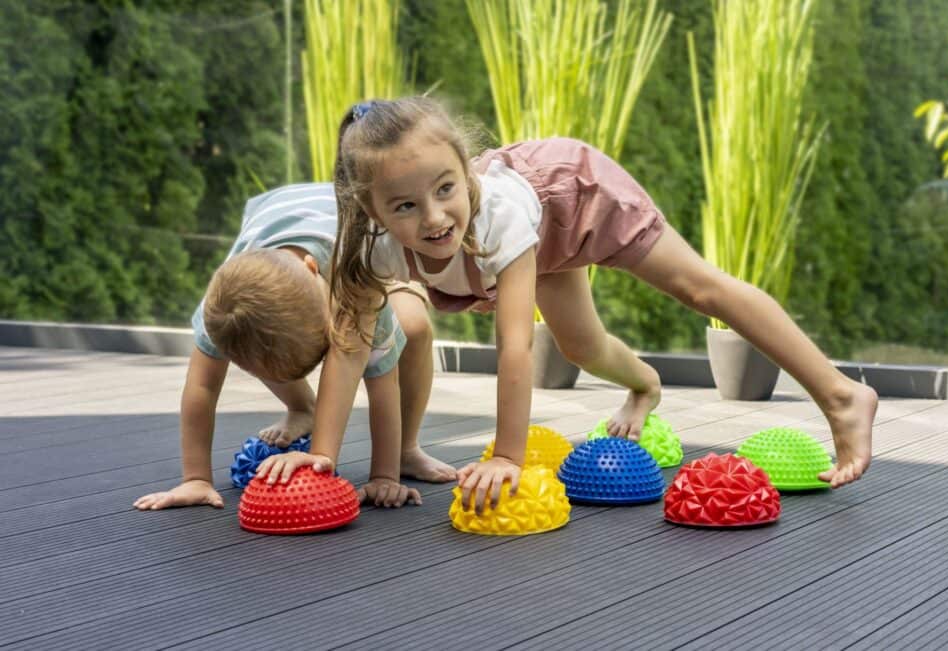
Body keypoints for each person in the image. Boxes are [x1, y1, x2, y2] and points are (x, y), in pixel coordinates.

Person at [258, 96, 878, 514]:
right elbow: (349, 349)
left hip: (576, 195)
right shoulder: (371, 249)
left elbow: (515, 345)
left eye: (446, 189)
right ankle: (645, 385)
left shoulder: (496, 214)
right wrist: (323, 456)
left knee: (698, 287)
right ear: (371, 211)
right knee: (581, 346)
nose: (435, 216)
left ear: (465, 173)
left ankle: (841, 395)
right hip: (534, 236)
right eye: (405, 206)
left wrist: (508, 456)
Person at [132, 183, 454, 512]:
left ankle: (405, 450)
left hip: (374, 236)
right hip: (276, 220)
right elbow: (202, 386)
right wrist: (196, 478)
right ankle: (304, 409)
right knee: (261, 345)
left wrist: (384, 476)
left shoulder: (358, 282)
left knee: (413, 328)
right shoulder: (226, 307)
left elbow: (383, 383)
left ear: (313, 269)